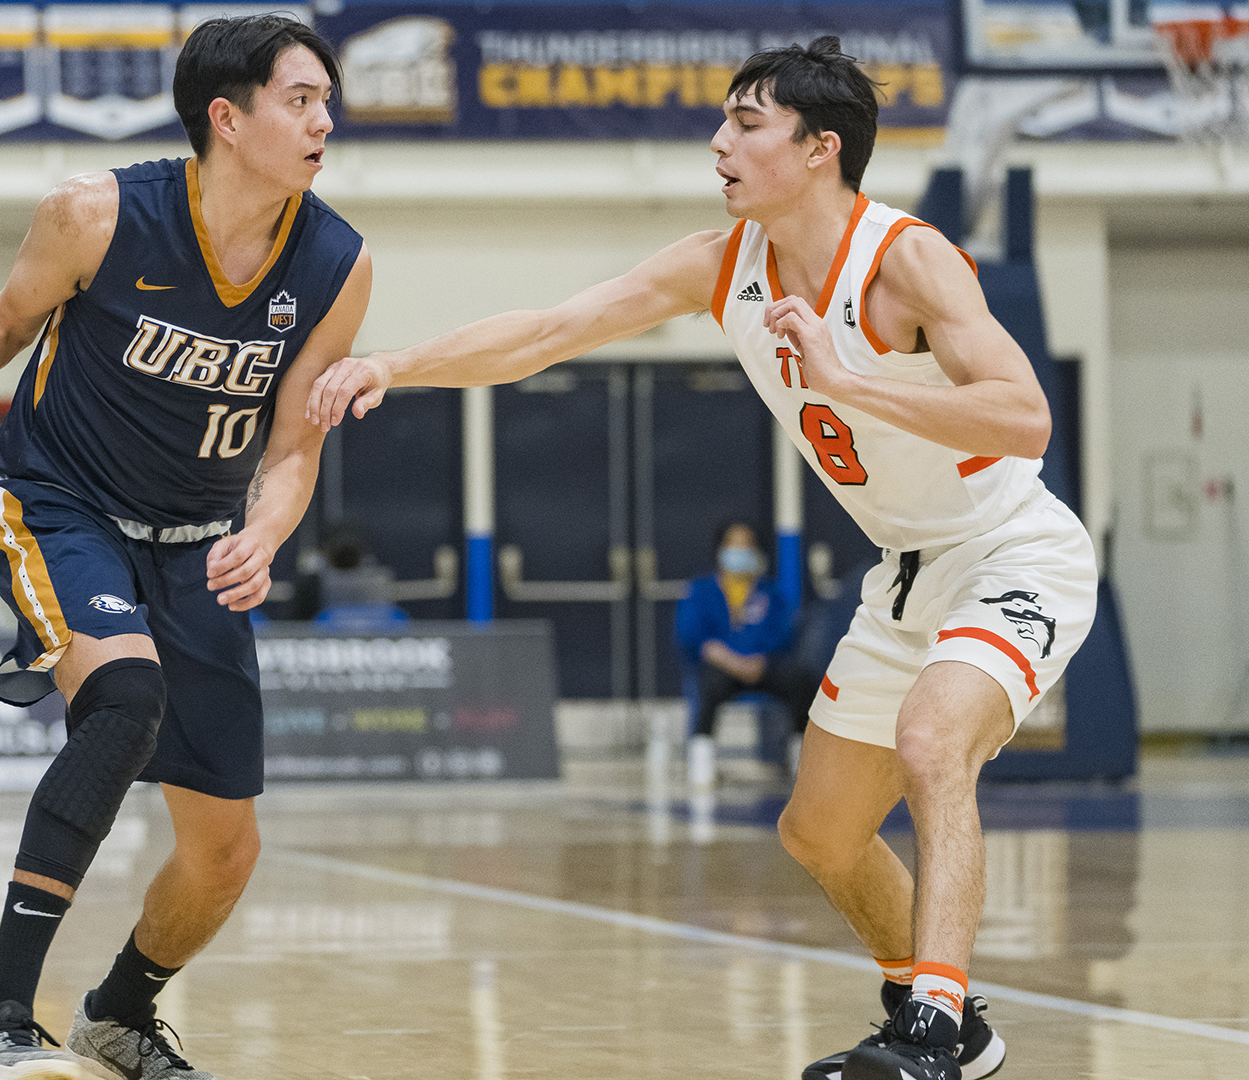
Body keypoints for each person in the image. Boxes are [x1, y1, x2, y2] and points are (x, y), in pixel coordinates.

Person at [307, 36, 1094, 1080]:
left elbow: (1025, 417)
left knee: (931, 741)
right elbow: (549, 329)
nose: (717, 140)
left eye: (745, 123)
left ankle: (935, 1036)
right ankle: (954, 1011)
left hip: (1011, 551)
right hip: (904, 573)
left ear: (820, 149)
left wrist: (849, 381)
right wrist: (392, 363)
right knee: (819, 832)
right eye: (723, 120)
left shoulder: (906, 257)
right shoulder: (725, 264)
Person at [0, 16, 370, 1080]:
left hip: (200, 540)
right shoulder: (95, 214)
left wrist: (270, 531)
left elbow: (294, 443)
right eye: (301, 99)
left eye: (328, 100)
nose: (325, 119)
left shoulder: (337, 263)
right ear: (227, 118)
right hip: (61, 502)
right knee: (125, 702)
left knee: (225, 853)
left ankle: (118, 1012)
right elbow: (9, 321)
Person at [676, 520, 818, 788]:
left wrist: (761, 660)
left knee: (802, 681)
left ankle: (801, 758)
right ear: (720, 550)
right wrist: (729, 659)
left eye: (746, 546)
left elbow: (784, 633)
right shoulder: (702, 591)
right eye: (733, 545)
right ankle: (701, 764)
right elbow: (692, 635)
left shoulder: (770, 593)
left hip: (762, 665)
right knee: (708, 685)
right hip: (722, 667)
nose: (740, 552)